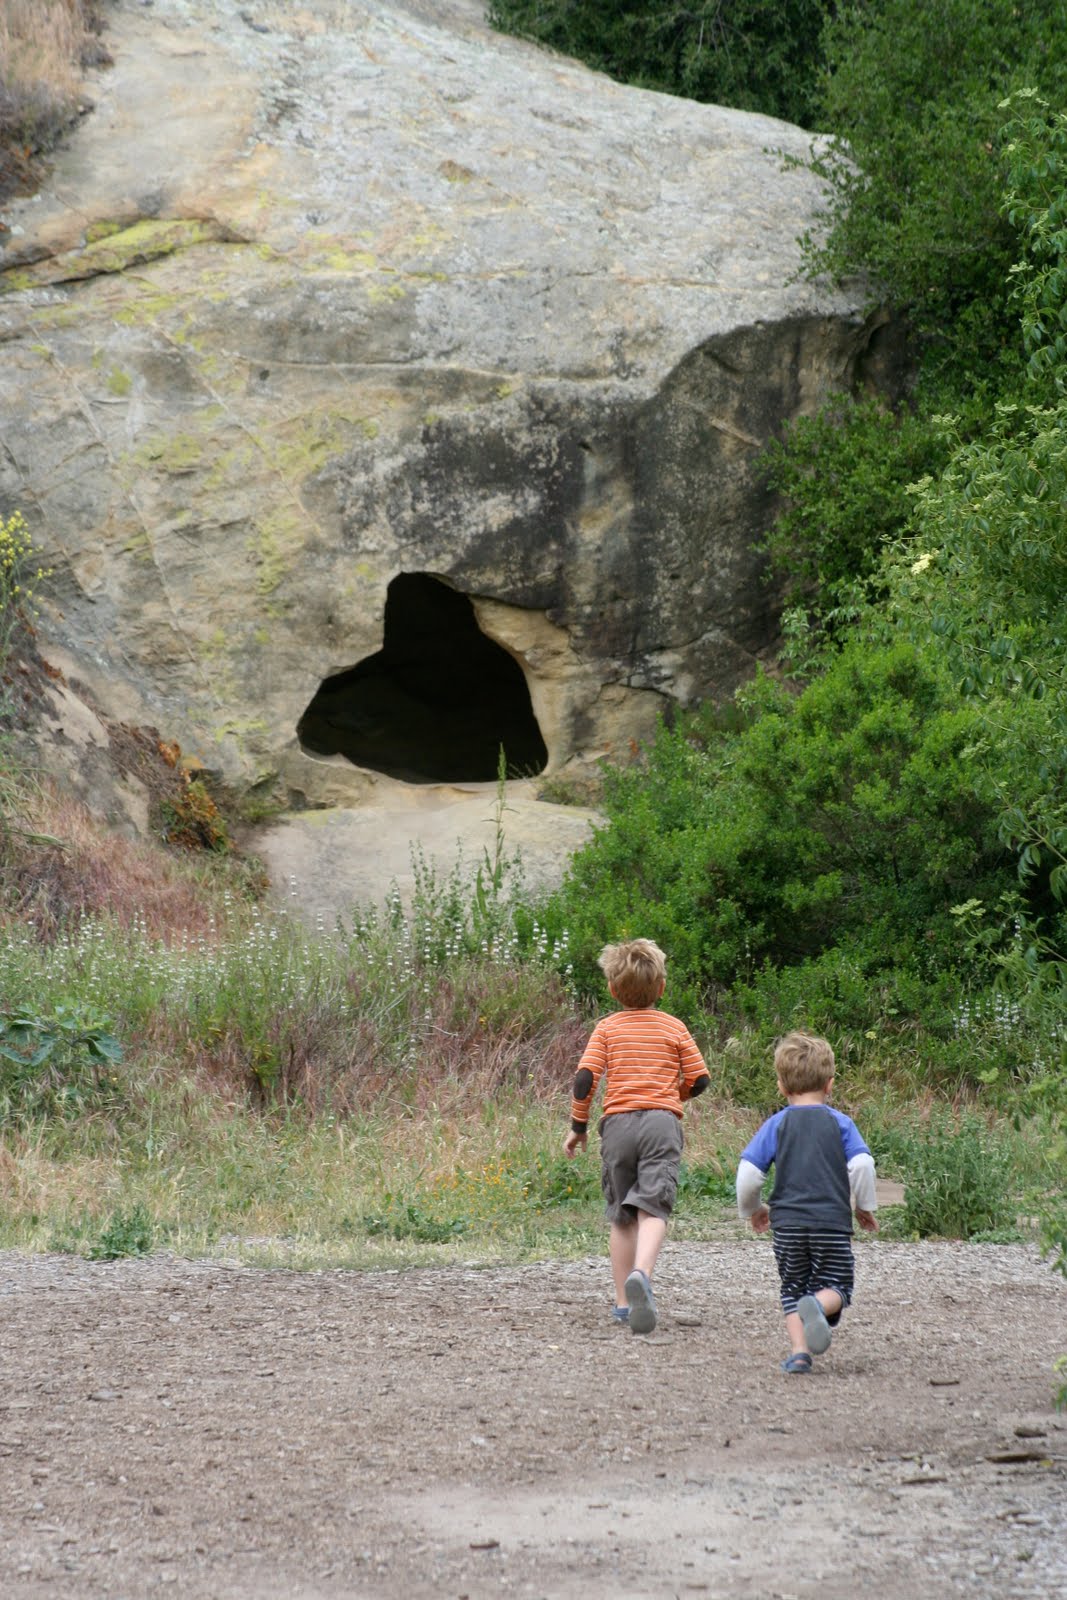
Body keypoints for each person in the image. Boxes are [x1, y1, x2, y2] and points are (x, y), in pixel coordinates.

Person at [564, 938, 710, 1334]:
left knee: (622, 1216)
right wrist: (671, 1097)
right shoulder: (673, 1026)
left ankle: (624, 1303)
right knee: (653, 1207)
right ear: (661, 987)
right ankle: (642, 1274)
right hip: (661, 1124)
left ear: (612, 989)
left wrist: (578, 1127)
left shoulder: (606, 1028)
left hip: (618, 1125)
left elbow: (585, 1079)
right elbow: (699, 1079)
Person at [735, 1030, 878, 1373]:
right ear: (830, 1084)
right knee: (838, 1285)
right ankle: (817, 1303)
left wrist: (753, 1210)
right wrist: (863, 1206)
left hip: (787, 1226)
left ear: (782, 1087)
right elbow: (862, 1165)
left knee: (792, 1287)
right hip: (831, 1222)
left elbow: (749, 1174)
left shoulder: (776, 1124)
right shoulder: (840, 1123)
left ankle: (800, 1352)